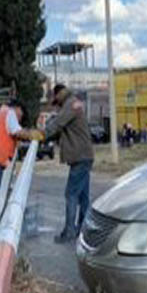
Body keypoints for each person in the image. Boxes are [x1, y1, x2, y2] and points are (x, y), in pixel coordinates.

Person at [44, 83, 94, 243]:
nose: (56, 105)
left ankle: (69, 232)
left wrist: (40, 134)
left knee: (71, 194)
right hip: (84, 156)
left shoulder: (71, 104)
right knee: (83, 196)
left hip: (80, 157)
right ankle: (83, 229)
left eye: (55, 100)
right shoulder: (73, 103)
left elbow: (58, 123)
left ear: (59, 94)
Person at [0, 98, 41, 225]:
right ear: (17, 108)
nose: (19, 119)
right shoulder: (9, 113)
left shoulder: (2, 114)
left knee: (0, 198)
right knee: (0, 199)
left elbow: (9, 141)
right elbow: (17, 131)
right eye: (20, 115)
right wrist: (31, 134)